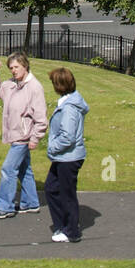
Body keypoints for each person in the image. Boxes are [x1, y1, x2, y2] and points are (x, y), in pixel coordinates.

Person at [0, 51, 48, 218]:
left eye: (16, 67)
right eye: (11, 68)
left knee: (8, 169)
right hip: (14, 135)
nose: (13, 71)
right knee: (24, 170)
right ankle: (31, 203)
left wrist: (35, 138)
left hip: (23, 137)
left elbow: (41, 118)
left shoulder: (34, 87)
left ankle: (4, 207)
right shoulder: (11, 84)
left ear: (25, 66)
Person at [44, 67, 88, 244]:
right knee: (51, 188)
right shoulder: (67, 102)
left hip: (68, 157)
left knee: (66, 194)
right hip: (65, 157)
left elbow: (68, 137)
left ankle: (71, 232)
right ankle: (63, 225)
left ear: (59, 85)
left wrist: (52, 148)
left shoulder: (69, 108)